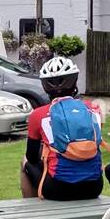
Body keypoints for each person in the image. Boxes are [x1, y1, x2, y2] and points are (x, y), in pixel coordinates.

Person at [20, 55, 104, 203]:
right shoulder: (93, 109)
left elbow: (32, 157)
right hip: (94, 187)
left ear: (45, 86)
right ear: (74, 81)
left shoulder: (38, 115)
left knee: (25, 160)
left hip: (58, 189)